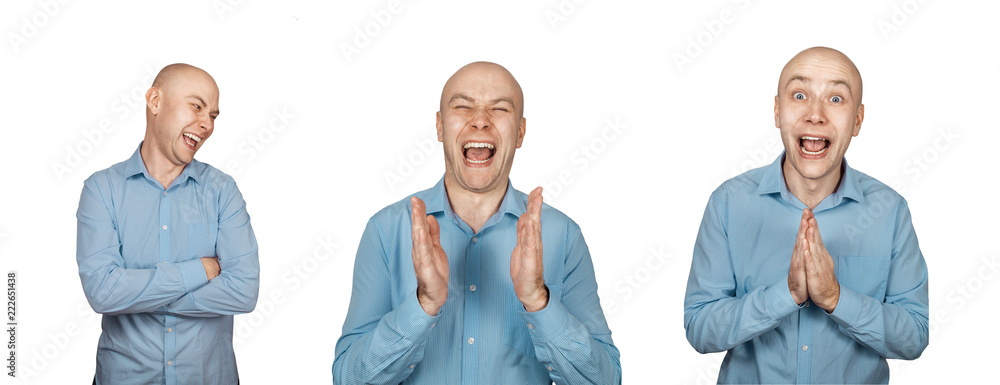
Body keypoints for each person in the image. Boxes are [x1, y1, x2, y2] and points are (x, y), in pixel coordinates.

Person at [332, 62, 621, 384]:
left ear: (521, 132)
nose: (480, 121)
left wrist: (539, 301)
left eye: (499, 109)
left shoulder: (562, 235)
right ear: (440, 127)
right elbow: (348, 378)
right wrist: (423, 304)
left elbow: (605, 379)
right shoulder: (386, 230)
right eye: (463, 107)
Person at [683, 47, 929, 384]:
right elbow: (700, 328)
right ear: (776, 111)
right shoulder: (729, 203)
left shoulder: (889, 211)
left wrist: (836, 298)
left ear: (857, 120)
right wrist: (786, 295)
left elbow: (914, 336)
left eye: (836, 99)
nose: (815, 114)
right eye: (800, 95)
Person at [76, 63, 259, 385]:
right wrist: (200, 271)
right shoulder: (101, 189)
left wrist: (136, 296)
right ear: (155, 102)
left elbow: (243, 292)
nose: (206, 125)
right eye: (197, 106)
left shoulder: (222, 190)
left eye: (213, 115)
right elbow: (102, 293)